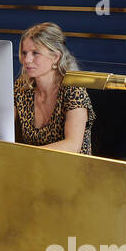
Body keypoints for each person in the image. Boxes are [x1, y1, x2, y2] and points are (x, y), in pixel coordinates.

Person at [13, 22, 95, 155]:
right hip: (35, 167)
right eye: (24, 52)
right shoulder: (21, 88)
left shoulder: (73, 90)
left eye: (35, 53)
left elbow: (72, 146)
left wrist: (27, 156)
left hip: (72, 169)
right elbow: (1, 129)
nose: (26, 60)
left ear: (56, 57)